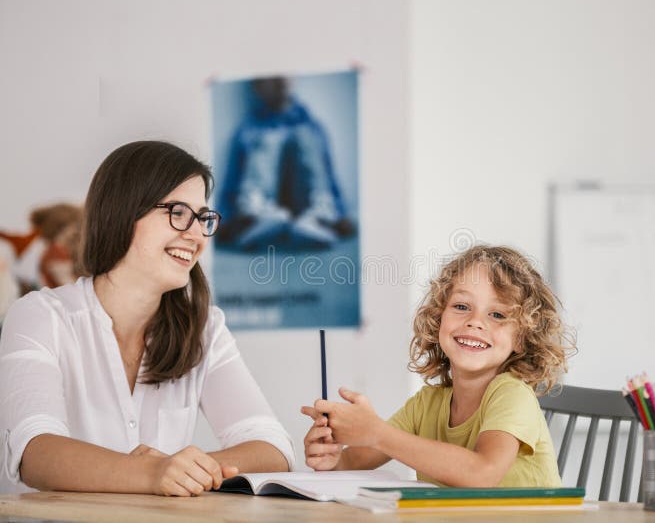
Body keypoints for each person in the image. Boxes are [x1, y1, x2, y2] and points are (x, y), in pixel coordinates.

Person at [0, 141, 294, 495]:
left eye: (202, 218)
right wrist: (153, 473)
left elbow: (272, 447)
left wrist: (186, 471)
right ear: (123, 213)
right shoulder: (40, 316)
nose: (197, 234)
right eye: (178, 213)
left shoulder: (205, 329)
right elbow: (36, 453)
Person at [302, 245, 574, 487]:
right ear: (438, 318)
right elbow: (352, 461)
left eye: (497, 314)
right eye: (461, 306)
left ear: (522, 337)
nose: (475, 321)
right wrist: (331, 458)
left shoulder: (512, 395)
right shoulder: (426, 405)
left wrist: (377, 432)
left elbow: (483, 473)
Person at [216, 76, 355, 250]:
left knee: (304, 136)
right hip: (267, 207)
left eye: (286, 75)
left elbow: (327, 173)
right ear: (257, 87)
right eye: (271, 77)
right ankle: (254, 218)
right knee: (267, 138)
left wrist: (342, 212)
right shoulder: (249, 128)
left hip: (303, 204)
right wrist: (224, 217)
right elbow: (233, 176)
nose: (281, 80)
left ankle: (319, 217)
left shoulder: (311, 126)